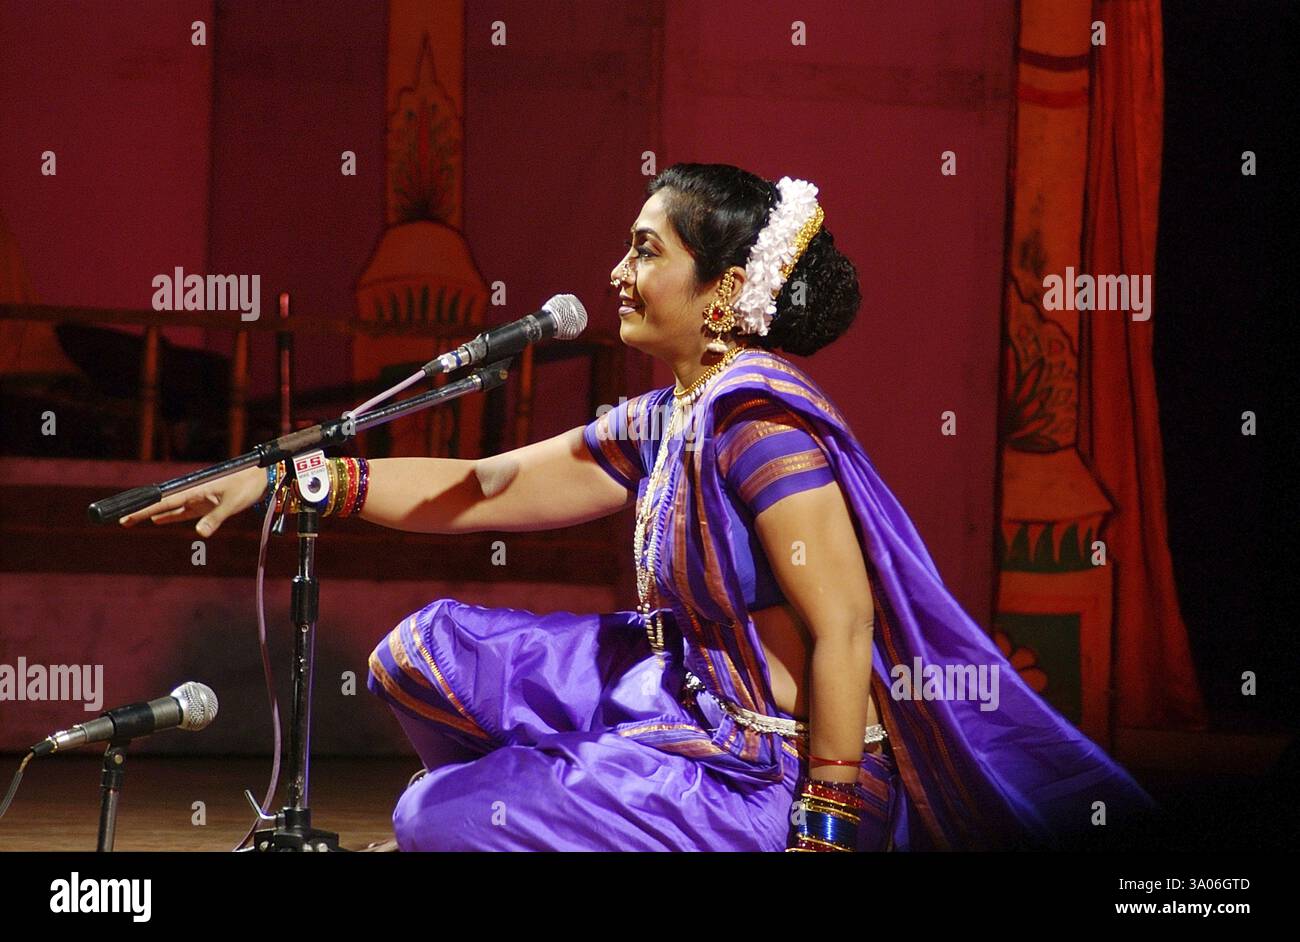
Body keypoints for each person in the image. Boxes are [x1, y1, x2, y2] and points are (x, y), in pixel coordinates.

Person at [120, 163, 1157, 852]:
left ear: (724, 292)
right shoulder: (672, 416)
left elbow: (846, 631)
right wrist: (290, 478)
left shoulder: (758, 427)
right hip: (682, 696)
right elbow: (492, 485)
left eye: (646, 250)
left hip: (770, 769)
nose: (616, 273)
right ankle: (572, 805)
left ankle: (566, 810)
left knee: (439, 820)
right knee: (423, 654)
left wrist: (822, 831)